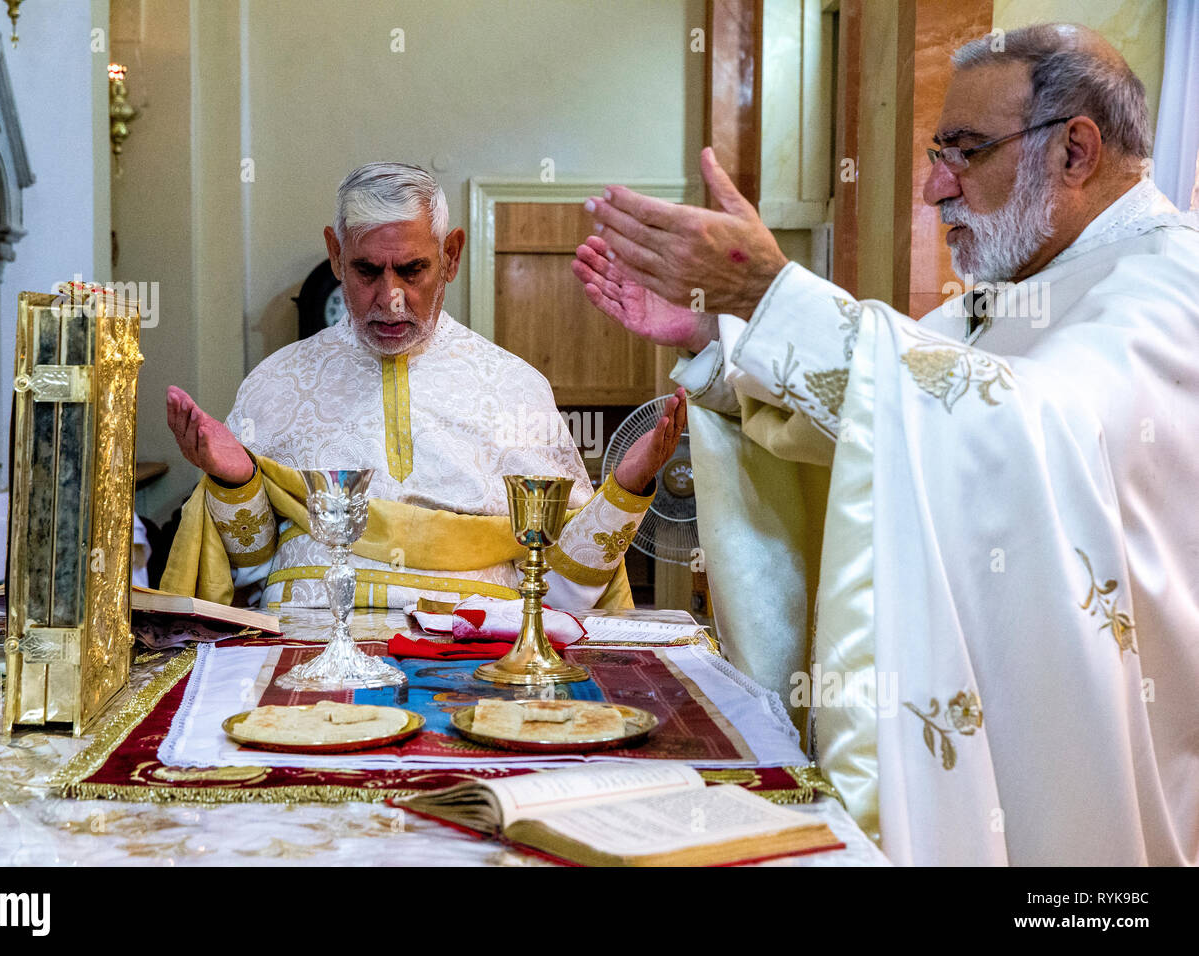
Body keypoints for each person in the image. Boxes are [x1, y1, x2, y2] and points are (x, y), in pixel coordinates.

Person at [573, 23, 1198, 865]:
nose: (936, 186)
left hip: (1089, 755)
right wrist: (721, 350)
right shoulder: (1022, 289)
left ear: (1075, 151)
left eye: (964, 151)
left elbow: (1025, 429)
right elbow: (881, 416)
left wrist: (771, 292)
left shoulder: (1165, 286)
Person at [163, 161, 686, 611]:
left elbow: (560, 589)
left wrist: (628, 487)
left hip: (475, 663)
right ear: (336, 254)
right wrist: (236, 481)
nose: (390, 297)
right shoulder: (274, 383)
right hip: (305, 654)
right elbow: (249, 575)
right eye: (367, 270)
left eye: (412, 270)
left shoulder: (515, 388)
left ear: (451, 255)